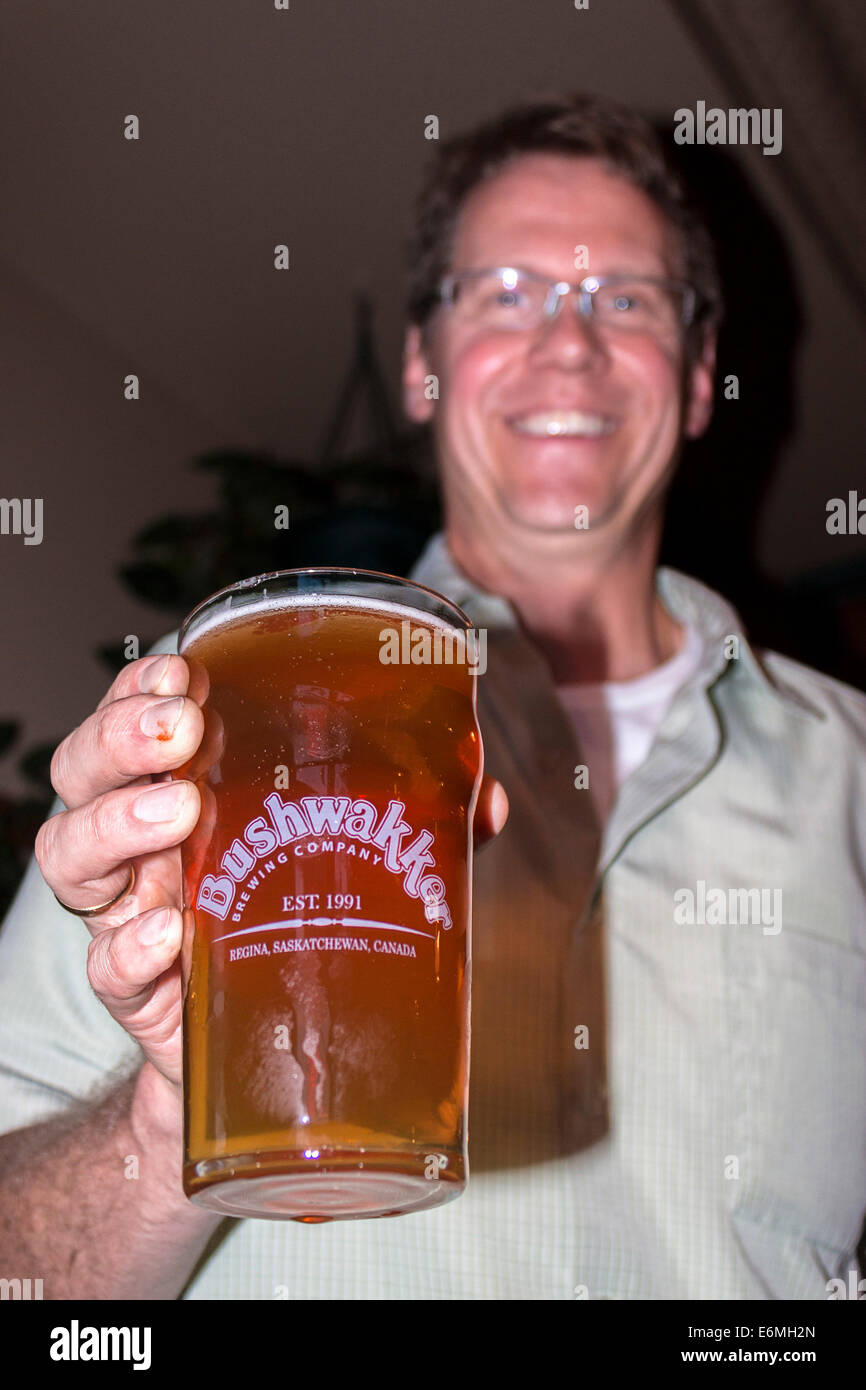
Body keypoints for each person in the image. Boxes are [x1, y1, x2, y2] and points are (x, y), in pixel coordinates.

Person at [1, 92, 864, 1301]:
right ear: (420, 364)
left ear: (699, 374)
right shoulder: (201, 723)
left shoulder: (854, 773)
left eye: (623, 298)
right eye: (503, 293)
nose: (567, 343)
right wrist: (161, 1127)